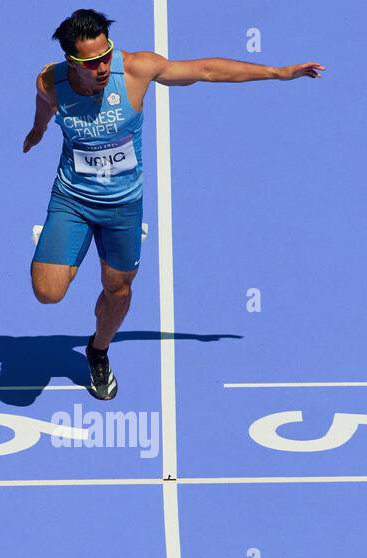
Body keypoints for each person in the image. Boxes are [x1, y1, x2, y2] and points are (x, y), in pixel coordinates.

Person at [23, 7, 322, 399]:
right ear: (71, 61)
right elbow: (44, 104)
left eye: (106, 55)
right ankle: (65, 241)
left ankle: (98, 352)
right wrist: (38, 129)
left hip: (122, 206)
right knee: (48, 292)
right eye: (91, 62)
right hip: (73, 198)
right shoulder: (51, 81)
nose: (102, 67)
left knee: (118, 291)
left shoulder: (135, 71)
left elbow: (206, 71)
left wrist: (277, 73)